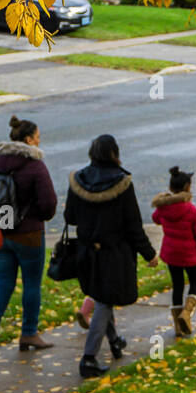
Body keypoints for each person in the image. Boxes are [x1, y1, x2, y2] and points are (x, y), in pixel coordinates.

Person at [64, 134, 158, 378]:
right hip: (113, 253)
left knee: (100, 294)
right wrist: (149, 253)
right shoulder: (123, 183)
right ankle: (88, 358)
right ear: (114, 153)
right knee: (105, 301)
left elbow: (70, 217)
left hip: (86, 251)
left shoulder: (78, 180)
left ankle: (115, 341)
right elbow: (133, 225)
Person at [0, 115, 58, 362]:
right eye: (37, 137)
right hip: (29, 235)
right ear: (27, 139)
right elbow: (48, 204)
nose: (39, 142)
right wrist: (36, 217)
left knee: (2, 282)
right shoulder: (35, 165)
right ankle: (29, 334)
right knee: (31, 283)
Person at [152, 165, 196, 338]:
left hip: (171, 254)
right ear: (188, 187)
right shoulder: (191, 210)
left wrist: (164, 201)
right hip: (189, 255)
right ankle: (186, 314)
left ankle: (178, 328)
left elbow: (156, 219)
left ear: (171, 188)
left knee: (177, 286)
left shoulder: (164, 208)